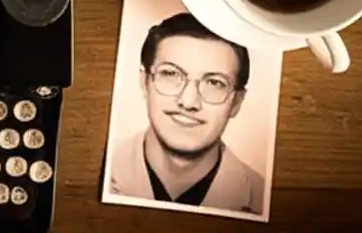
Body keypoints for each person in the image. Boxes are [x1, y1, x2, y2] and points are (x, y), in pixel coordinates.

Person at [108, 12, 264, 215]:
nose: (188, 102)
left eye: (215, 83)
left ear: (236, 102)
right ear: (145, 83)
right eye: (171, 73)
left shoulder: (262, 198)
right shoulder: (101, 166)